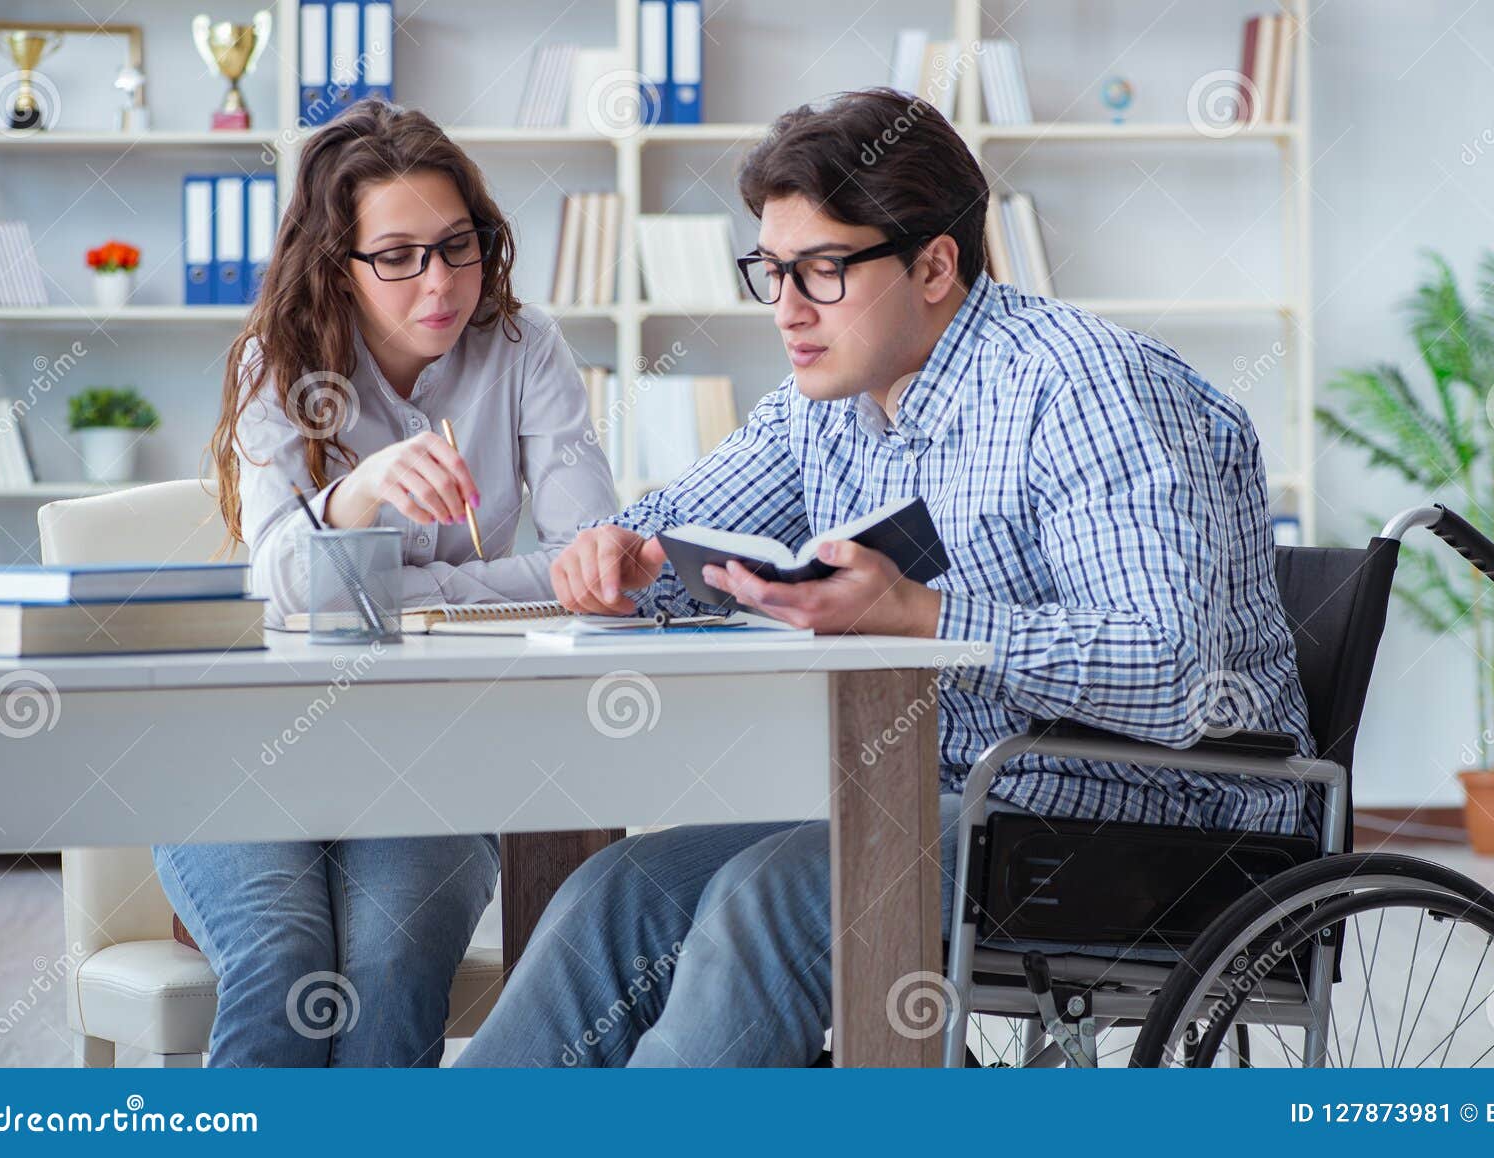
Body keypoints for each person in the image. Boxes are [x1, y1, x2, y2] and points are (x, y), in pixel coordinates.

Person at [455, 87, 1314, 1067]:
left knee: (767, 896)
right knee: (616, 895)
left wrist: (923, 615)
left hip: (1157, 815)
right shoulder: (820, 401)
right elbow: (675, 532)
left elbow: (1167, 672)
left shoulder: (1079, 386)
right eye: (770, 272)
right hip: (931, 793)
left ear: (935, 264)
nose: (784, 310)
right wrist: (616, 556)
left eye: (818, 272)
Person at [155, 99, 617, 1066]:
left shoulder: (526, 351)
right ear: (338, 264)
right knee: (284, 960)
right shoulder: (275, 366)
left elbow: (588, 566)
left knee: (392, 964)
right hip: (249, 759)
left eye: (459, 245)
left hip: (431, 757)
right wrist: (359, 494)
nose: (440, 282)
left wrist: (392, 591)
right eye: (398, 255)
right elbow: (278, 586)